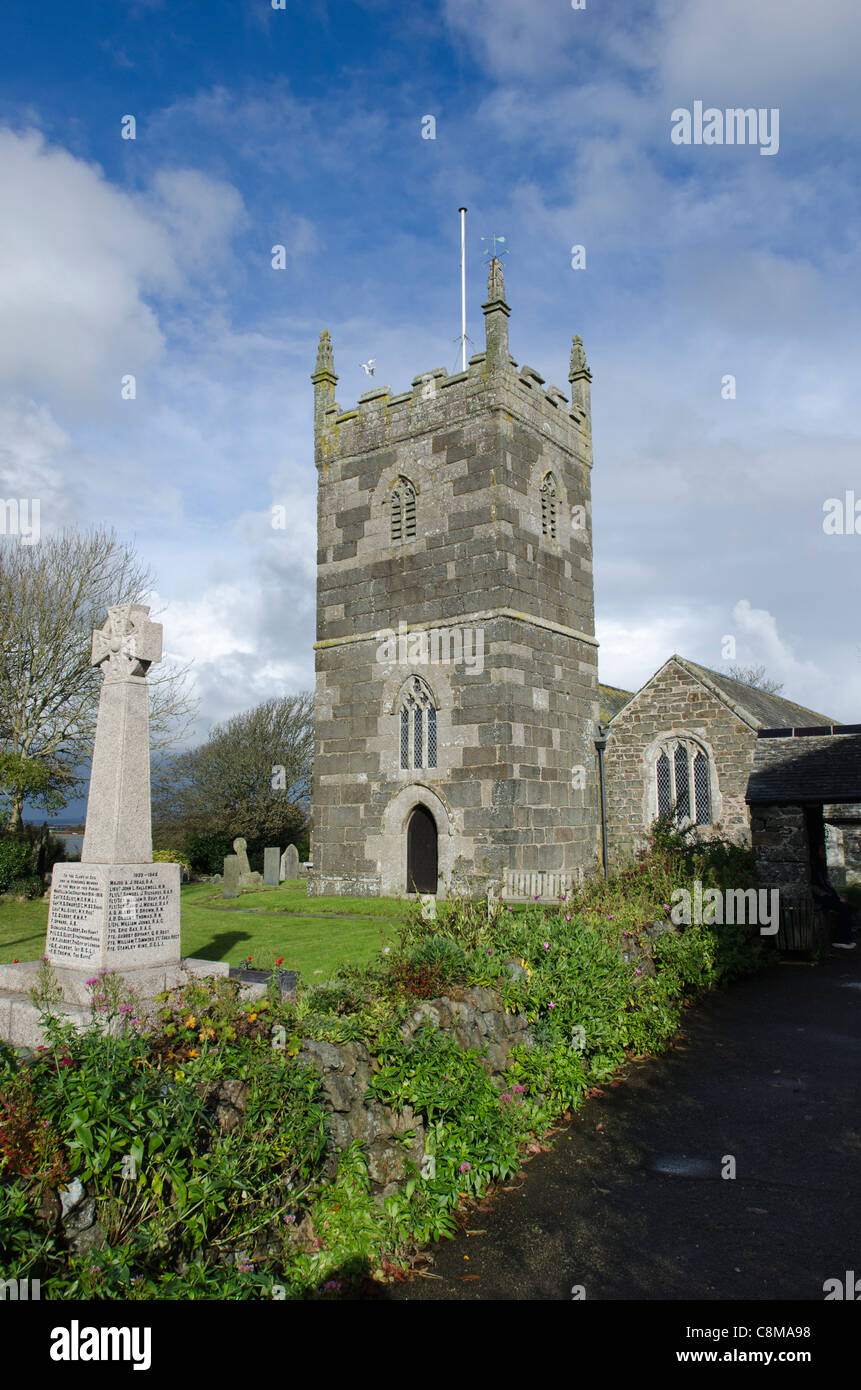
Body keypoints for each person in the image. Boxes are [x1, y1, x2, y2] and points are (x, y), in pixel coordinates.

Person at [811, 844, 856, 949]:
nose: (824, 854)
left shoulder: (819, 867)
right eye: (821, 850)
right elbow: (813, 886)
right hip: (822, 897)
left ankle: (847, 938)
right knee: (844, 908)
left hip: (827, 895)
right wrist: (825, 894)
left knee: (847, 907)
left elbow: (827, 885)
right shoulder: (814, 868)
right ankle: (840, 939)